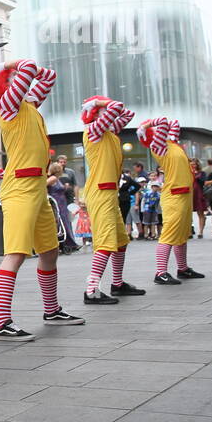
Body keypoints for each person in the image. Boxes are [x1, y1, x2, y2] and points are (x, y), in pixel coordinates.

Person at [0, 59, 84, 342]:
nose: (20, 79)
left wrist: (11, 69)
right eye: (13, 77)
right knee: (15, 254)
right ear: (6, 83)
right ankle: (2, 322)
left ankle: (51, 311)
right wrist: (8, 65)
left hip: (36, 187)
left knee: (50, 251)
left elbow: (49, 76)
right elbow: (29, 69)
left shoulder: (27, 105)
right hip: (19, 187)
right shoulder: (8, 104)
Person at [79, 95, 143, 305]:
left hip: (108, 192)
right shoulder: (94, 130)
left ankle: (117, 283)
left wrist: (100, 105)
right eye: (102, 112)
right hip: (100, 192)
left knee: (120, 241)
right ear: (95, 114)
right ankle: (91, 290)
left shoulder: (108, 132)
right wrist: (97, 103)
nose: (108, 114)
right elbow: (117, 107)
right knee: (106, 242)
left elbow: (127, 112)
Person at [139, 117, 205, 284]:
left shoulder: (172, 143)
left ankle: (182, 268)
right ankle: (160, 272)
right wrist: (145, 126)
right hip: (174, 195)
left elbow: (174, 122)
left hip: (183, 193)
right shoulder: (158, 146)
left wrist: (147, 126)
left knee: (182, 234)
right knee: (169, 234)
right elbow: (163, 122)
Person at [47, 161, 78, 253]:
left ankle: (68, 242)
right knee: (62, 221)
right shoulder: (53, 178)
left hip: (61, 202)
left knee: (65, 221)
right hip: (57, 202)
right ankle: (66, 243)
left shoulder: (56, 178)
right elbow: (44, 185)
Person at [190, 158, 208, 239]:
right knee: (188, 215)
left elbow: (203, 182)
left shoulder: (202, 173)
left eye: (194, 164)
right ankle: (189, 231)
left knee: (200, 213)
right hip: (189, 194)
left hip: (198, 194)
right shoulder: (187, 172)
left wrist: (195, 174)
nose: (193, 165)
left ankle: (201, 231)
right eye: (191, 164)